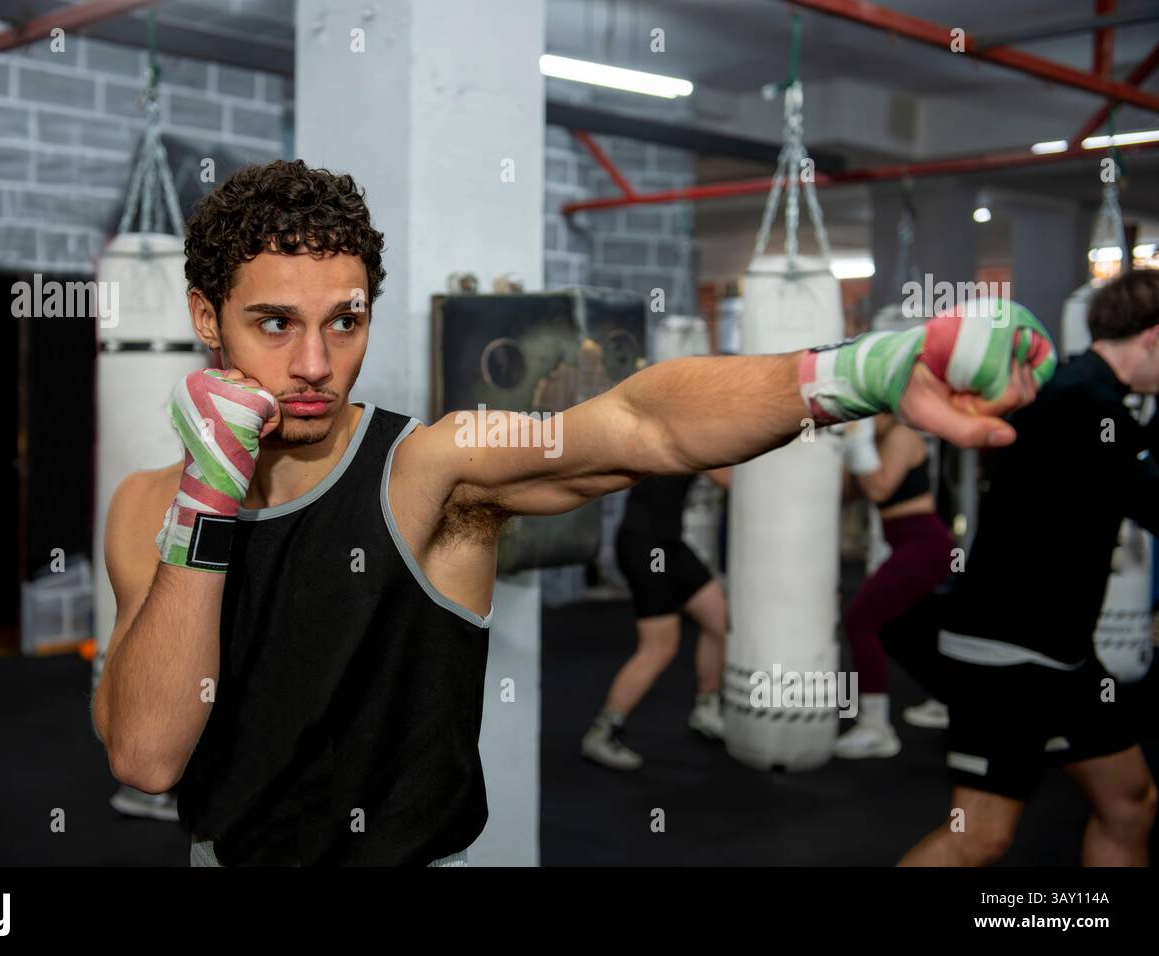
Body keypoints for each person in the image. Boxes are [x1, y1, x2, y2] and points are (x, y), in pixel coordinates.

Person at [90, 158, 1052, 867]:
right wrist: (208, 497)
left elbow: (642, 424)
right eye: (274, 324)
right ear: (206, 316)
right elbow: (146, 754)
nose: (313, 364)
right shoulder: (145, 507)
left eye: (344, 321)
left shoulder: (430, 472)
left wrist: (861, 372)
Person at [894, 271, 1159, 866]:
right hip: (1009, 655)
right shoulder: (1084, 403)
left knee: (1130, 804)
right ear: (1153, 337)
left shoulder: (1082, 393)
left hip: (1062, 654)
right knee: (979, 838)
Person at [582, 467, 732, 771]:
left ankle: (707, 708)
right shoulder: (691, 428)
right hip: (647, 545)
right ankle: (603, 732)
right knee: (660, 647)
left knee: (719, 619)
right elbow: (728, 478)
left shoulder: (695, 424)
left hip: (670, 543)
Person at [834, 414, 954, 758]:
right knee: (905, 629)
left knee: (861, 621)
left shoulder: (902, 437)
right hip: (908, 545)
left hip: (924, 545)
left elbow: (879, 488)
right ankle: (953, 701)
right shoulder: (873, 444)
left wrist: (857, 445)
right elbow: (847, 494)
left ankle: (876, 728)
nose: (867, 418)